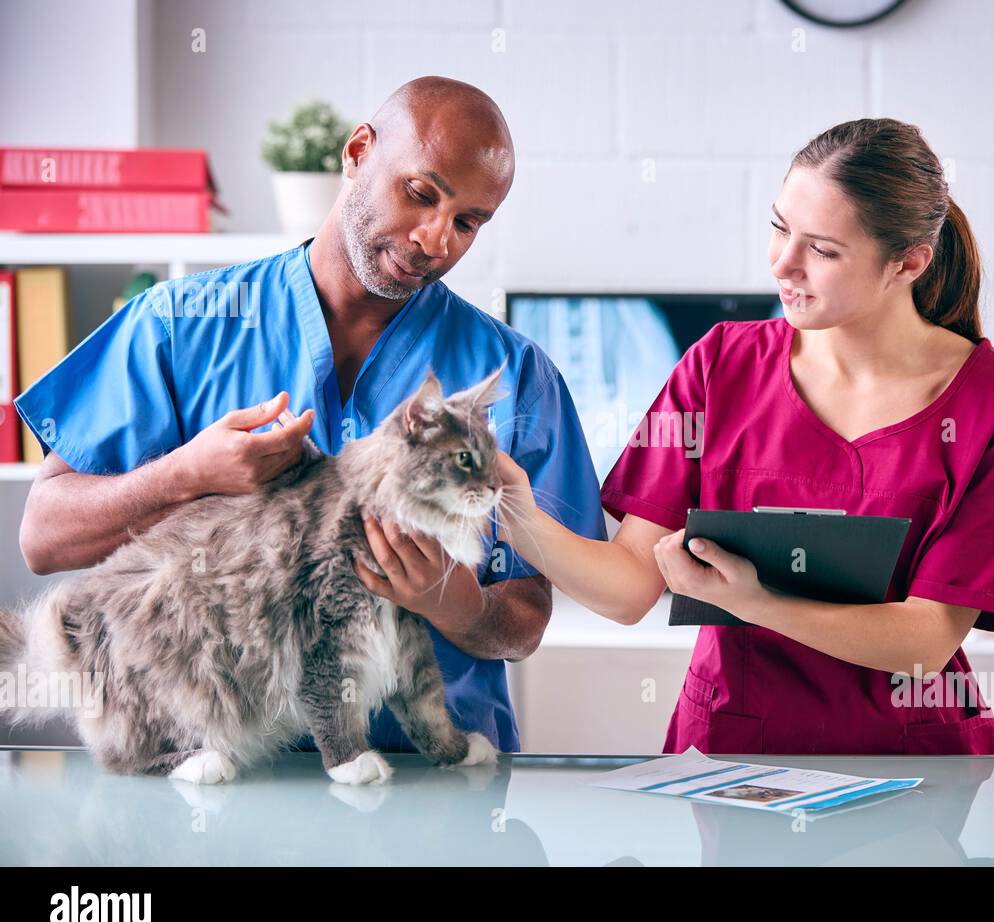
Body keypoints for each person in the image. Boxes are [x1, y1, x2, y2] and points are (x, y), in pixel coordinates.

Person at [14, 76, 605, 753]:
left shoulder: (514, 376)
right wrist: (183, 477)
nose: (437, 239)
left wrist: (452, 603)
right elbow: (44, 536)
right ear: (358, 152)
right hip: (221, 771)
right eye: (420, 193)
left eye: (468, 222)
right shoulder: (178, 327)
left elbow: (526, 617)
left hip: (438, 786)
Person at [497, 118, 994, 756]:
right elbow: (627, 592)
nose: (782, 265)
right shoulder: (718, 365)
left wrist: (757, 602)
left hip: (912, 758)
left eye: (821, 249)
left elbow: (928, 641)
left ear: (908, 263)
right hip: (735, 754)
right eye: (779, 227)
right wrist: (511, 510)